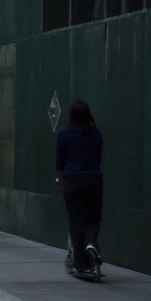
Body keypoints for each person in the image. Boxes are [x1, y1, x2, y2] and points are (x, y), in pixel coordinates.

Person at [56, 99, 104, 278]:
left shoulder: (64, 135)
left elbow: (60, 161)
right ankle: (91, 243)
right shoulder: (96, 134)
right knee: (93, 217)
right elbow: (98, 158)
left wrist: (60, 179)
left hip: (73, 180)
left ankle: (81, 264)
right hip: (93, 179)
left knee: (76, 222)